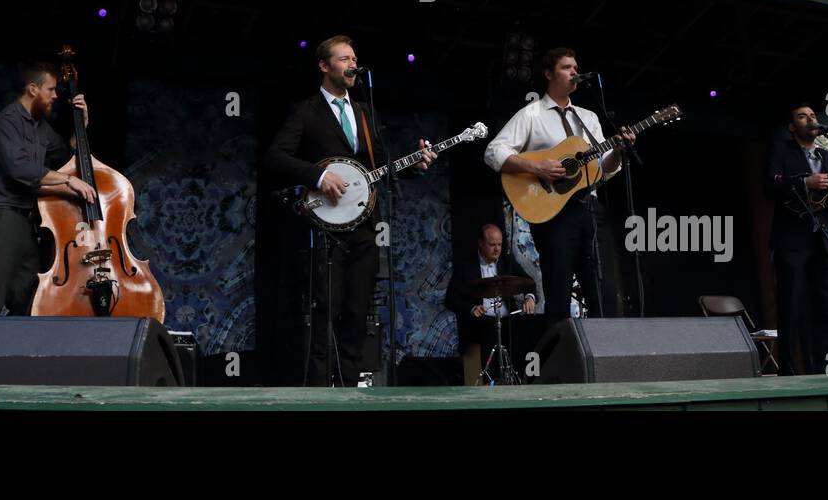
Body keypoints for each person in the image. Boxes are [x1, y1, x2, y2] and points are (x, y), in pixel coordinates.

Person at [264, 35, 434, 386]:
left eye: (354, 58)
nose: (352, 64)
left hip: (364, 223)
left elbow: (380, 162)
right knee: (326, 310)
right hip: (325, 227)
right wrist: (319, 175)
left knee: (358, 312)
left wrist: (415, 161)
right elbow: (275, 156)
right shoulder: (306, 110)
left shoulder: (364, 111)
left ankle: (352, 389)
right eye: (344, 59)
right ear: (325, 66)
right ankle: (319, 391)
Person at [484, 46, 633, 321]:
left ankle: (605, 356)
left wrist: (618, 154)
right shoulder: (531, 114)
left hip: (590, 209)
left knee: (603, 290)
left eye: (576, 68)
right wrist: (536, 166)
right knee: (558, 294)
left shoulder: (588, 119)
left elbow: (601, 171)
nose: (574, 72)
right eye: (566, 68)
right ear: (548, 74)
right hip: (553, 214)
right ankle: (560, 359)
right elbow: (494, 152)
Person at [0, 61, 95, 316]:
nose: (56, 96)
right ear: (33, 89)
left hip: (28, 224)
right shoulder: (8, 121)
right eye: (51, 89)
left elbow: (65, 160)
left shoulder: (41, 127)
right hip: (1, 218)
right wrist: (68, 181)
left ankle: (8, 354)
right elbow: (20, 169)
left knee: (28, 298)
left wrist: (82, 124)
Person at [764, 104, 828, 375]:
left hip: (824, 241)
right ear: (792, 126)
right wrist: (806, 182)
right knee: (791, 305)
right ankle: (789, 373)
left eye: (814, 115)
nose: (810, 119)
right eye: (802, 116)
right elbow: (769, 187)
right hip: (791, 240)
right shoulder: (781, 150)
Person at [444, 223, 536, 384]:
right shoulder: (466, 266)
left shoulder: (507, 261)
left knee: (529, 327)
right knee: (492, 329)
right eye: (492, 245)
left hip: (508, 319)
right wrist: (471, 308)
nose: (497, 249)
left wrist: (530, 298)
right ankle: (492, 380)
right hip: (480, 322)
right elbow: (450, 298)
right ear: (481, 243)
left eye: (499, 245)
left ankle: (525, 377)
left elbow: (529, 283)